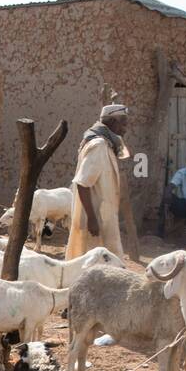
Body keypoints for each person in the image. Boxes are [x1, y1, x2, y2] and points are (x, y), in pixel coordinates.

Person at [68, 103, 130, 260]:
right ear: (113, 121)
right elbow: (83, 183)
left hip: (104, 217)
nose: (125, 129)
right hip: (96, 220)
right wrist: (92, 219)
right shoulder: (99, 145)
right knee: (96, 266)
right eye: (123, 123)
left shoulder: (106, 144)